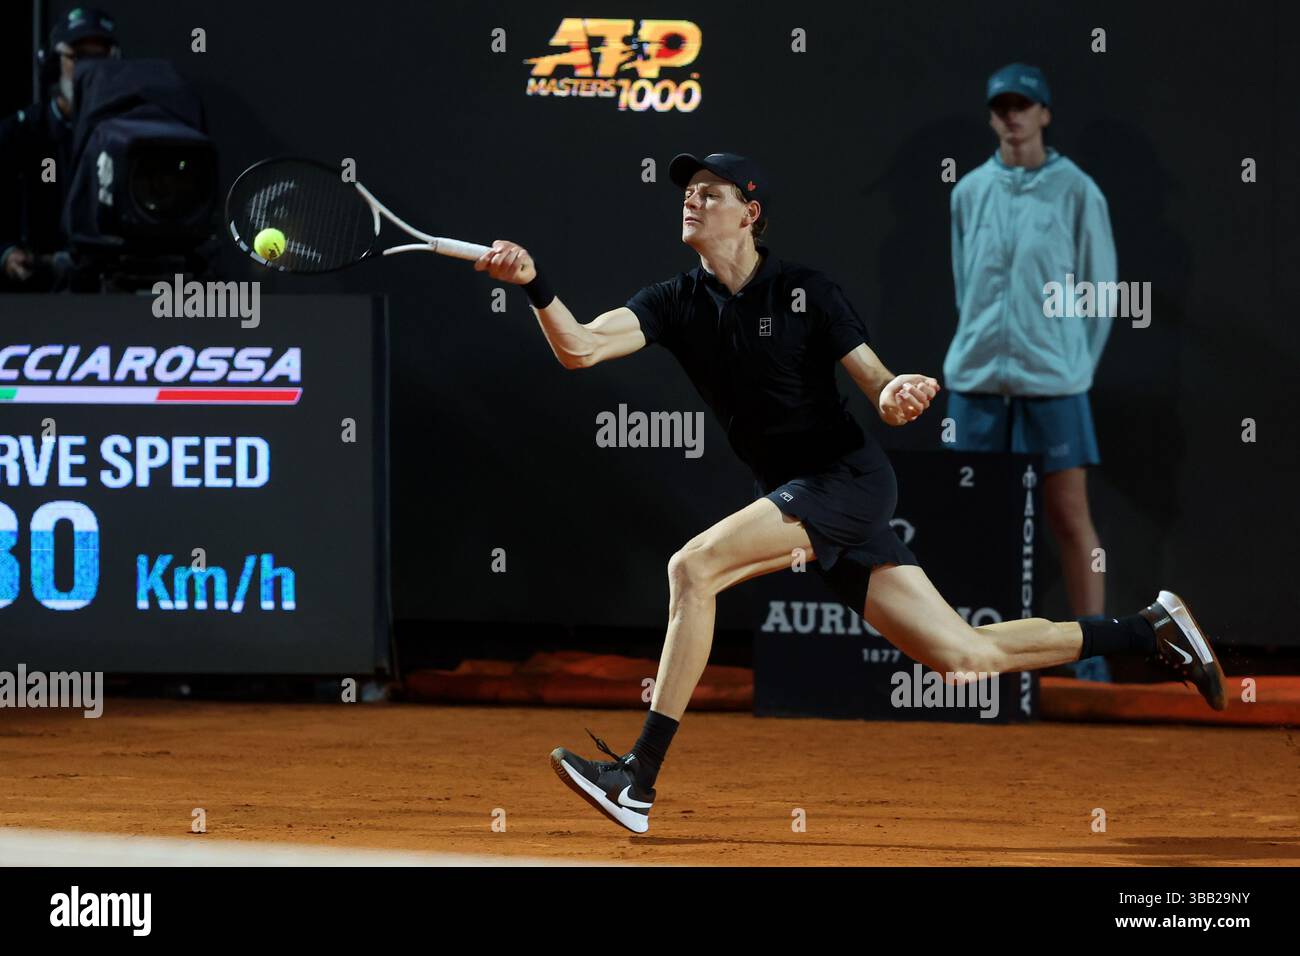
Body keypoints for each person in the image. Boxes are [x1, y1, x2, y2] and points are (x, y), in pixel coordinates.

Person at [475, 151, 1226, 834]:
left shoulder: (806, 292)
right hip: (807, 492)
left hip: (846, 482)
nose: (692, 203)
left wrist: (899, 392)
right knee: (961, 656)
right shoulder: (672, 301)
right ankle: (1149, 628)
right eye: (688, 194)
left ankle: (636, 780)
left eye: (711, 193)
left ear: (751, 212)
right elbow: (581, 347)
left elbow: (878, 381)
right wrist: (535, 285)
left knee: (691, 568)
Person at [945, 63, 1115, 679]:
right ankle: (974, 657)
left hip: (1056, 385)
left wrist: (1070, 365)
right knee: (971, 521)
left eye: (1023, 106)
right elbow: (967, 286)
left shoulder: (1077, 191)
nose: (1012, 117)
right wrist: (981, 346)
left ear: (1044, 114)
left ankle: (1090, 658)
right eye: (1001, 107)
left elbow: (1099, 292)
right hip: (975, 381)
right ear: (992, 116)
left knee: (1069, 515)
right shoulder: (968, 192)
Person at [0, 7, 119, 291]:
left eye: (99, 59)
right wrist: (6, 254)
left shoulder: (122, 136)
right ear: (53, 64)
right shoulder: (18, 133)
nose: (89, 70)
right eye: (78, 58)